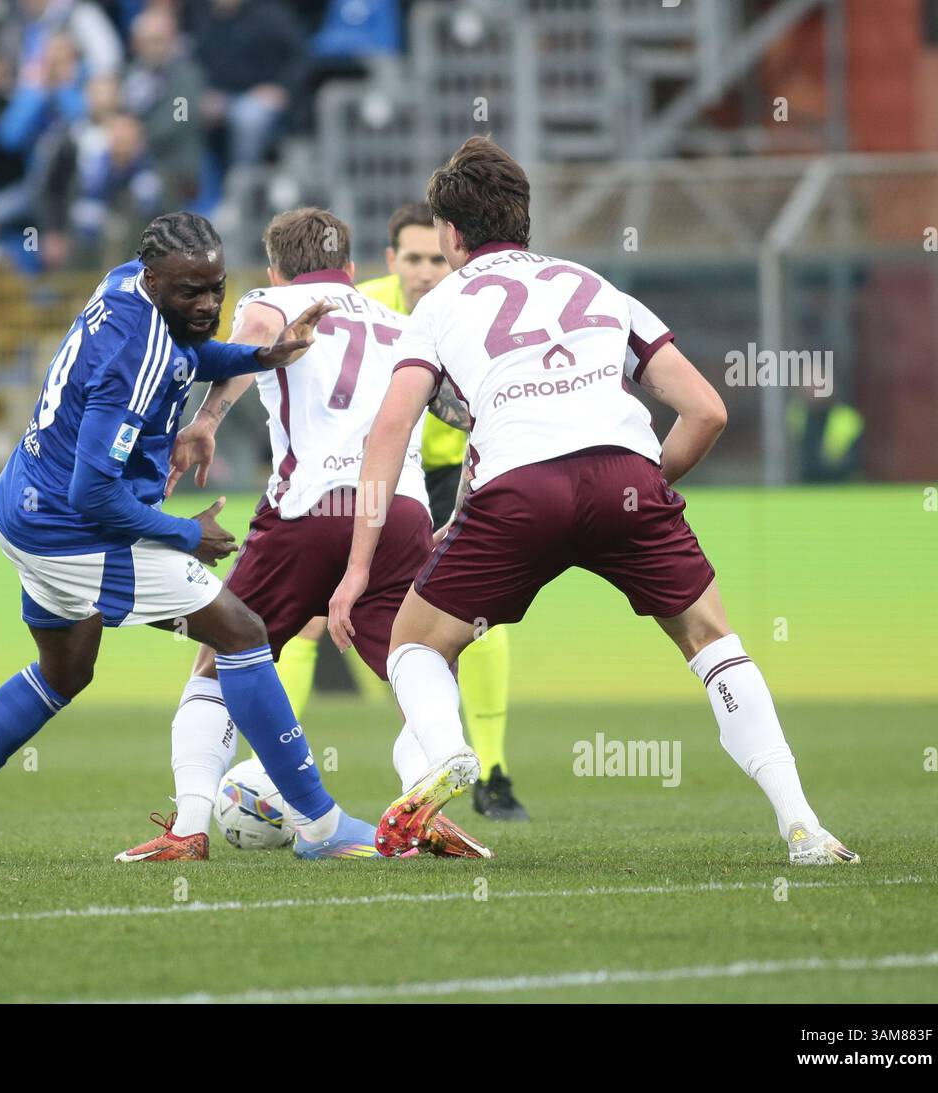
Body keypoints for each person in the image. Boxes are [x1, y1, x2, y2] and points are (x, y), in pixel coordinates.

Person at [328, 138, 860, 867]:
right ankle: (803, 826)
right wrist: (647, 486)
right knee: (713, 640)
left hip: (519, 487)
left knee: (417, 644)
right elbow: (706, 410)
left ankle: (447, 755)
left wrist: (359, 566)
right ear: (524, 218)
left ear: (451, 235)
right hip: (626, 475)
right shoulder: (597, 285)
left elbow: (390, 431)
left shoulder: (440, 303)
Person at [0, 211, 380, 864]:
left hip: (26, 503)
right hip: (73, 526)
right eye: (189, 292)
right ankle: (319, 823)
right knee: (241, 631)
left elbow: (192, 349)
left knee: (65, 671)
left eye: (216, 288)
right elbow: (95, 492)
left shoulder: (124, 286)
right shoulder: (131, 359)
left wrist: (262, 355)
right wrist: (183, 532)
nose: (206, 305)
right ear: (153, 280)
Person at [119, 207, 491, 862]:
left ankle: (191, 826)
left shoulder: (271, 301)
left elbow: (260, 334)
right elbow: (460, 412)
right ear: (351, 268)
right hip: (396, 514)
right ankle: (423, 800)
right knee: (421, 665)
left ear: (272, 269)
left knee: (218, 655)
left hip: (306, 513)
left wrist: (206, 416)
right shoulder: (405, 324)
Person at [277, 201, 528, 821]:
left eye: (436, 259)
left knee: (475, 620)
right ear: (391, 261)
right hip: (380, 474)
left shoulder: (471, 310)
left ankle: (491, 772)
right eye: (412, 259)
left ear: (455, 256)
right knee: (312, 621)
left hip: (462, 470)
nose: (424, 271)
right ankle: (282, 765)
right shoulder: (360, 307)